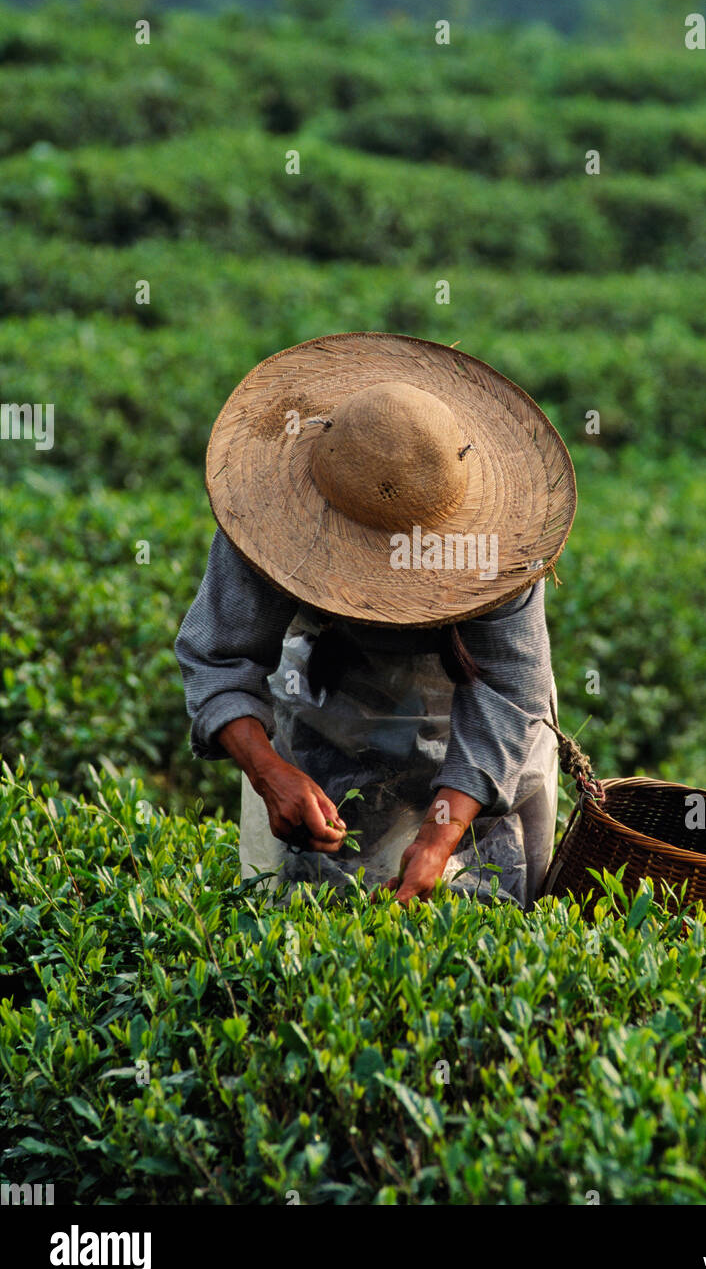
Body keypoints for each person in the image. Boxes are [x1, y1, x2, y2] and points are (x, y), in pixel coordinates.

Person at [174, 332, 576, 908]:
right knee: (308, 909)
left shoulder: (498, 549)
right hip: (326, 700)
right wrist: (271, 773)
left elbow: (510, 689)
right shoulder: (266, 521)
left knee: (477, 908)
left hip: (475, 733)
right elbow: (218, 657)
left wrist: (440, 835)